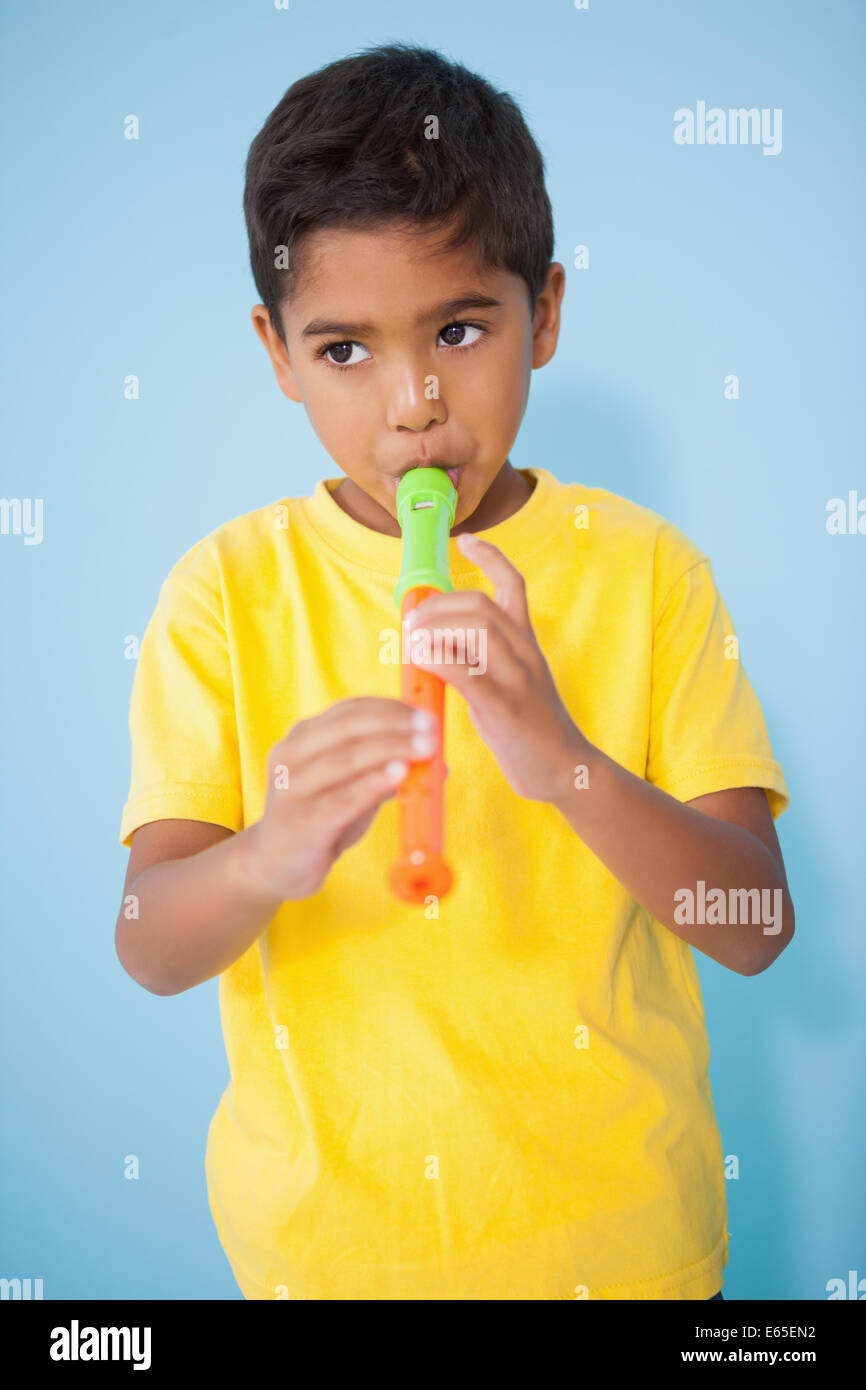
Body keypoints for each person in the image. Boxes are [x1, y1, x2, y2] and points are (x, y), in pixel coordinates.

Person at [116, 42, 793, 1301]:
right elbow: (149, 943)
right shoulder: (223, 592)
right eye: (343, 352)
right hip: (327, 1267)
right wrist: (264, 855)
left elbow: (751, 929)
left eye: (461, 328)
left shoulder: (650, 574)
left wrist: (564, 766)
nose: (414, 407)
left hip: (625, 1253)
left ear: (545, 312)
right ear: (275, 352)